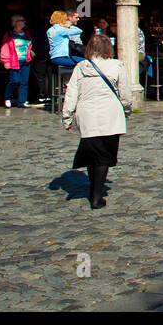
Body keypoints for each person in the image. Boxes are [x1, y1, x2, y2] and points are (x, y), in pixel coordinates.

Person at [62, 34, 132, 210]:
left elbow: (71, 94)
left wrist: (67, 117)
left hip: (88, 115)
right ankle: (96, 195)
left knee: (93, 153)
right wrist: (126, 110)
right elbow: (125, 93)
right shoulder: (116, 66)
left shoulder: (81, 67)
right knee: (103, 156)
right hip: (111, 115)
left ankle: (94, 189)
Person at [0, 15, 34, 108]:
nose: (24, 22)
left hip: (25, 60)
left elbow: (28, 45)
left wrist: (30, 52)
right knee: (14, 80)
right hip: (14, 61)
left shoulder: (26, 33)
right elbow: (5, 48)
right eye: (21, 20)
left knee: (24, 82)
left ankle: (22, 101)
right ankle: (7, 97)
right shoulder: (9, 34)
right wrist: (6, 61)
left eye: (24, 20)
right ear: (15, 22)